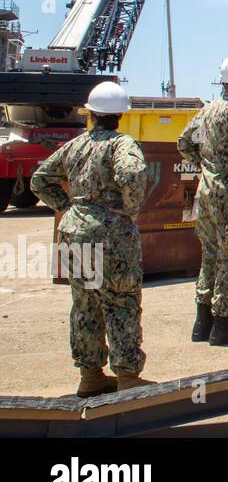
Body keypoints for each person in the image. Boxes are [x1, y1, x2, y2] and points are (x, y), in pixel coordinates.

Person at [30, 82, 152, 395]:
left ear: (91, 114)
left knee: (85, 305)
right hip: (112, 235)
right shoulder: (122, 145)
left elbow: (40, 180)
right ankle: (127, 376)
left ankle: (90, 376)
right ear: (120, 117)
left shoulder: (75, 145)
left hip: (74, 232)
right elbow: (136, 174)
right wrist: (130, 209)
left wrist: (68, 207)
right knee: (121, 303)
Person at [177, 54, 228, 345]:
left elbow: (185, 141)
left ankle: (203, 322)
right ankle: (223, 322)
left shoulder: (207, 111)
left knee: (210, 253)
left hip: (206, 190)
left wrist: (207, 164)